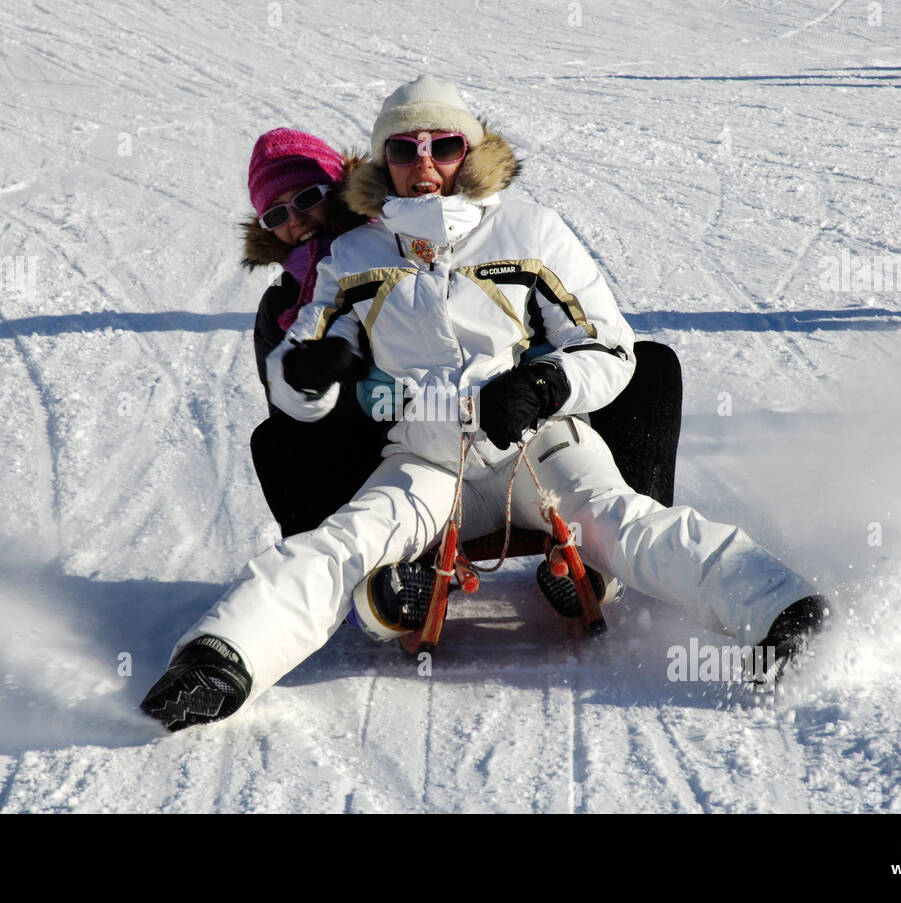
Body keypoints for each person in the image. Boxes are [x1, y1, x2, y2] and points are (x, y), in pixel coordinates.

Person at [143, 77, 825, 730]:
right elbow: (295, 397)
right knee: (345, 542)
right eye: (405, 149)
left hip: (538, 444)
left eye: (442, 145)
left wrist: (545, 386)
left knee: (620, 521)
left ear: (468, 149)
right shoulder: (354, 254)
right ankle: (219, 660)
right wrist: (310, 370)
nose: (424, 164)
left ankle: (784, 611)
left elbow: (613, 349)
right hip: (426, 456)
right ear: (383, 160)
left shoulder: (528, 231)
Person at [240, 128, 387, 537]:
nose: (296, 219)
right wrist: (307, 378)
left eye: (307, 198)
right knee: (276, 443)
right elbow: (284, 405)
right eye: (276, 214)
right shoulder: (281, 304)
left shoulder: (394, 247)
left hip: (427, 419)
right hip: (349, 440)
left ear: (338, 191)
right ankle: (325, 561)